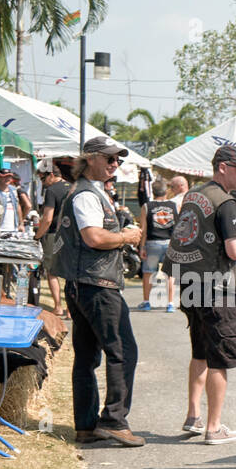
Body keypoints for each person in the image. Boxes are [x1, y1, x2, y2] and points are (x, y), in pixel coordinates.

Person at [162, 143, 236, 445]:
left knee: (200, 351)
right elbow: (233, 250)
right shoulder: (225, 202)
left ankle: (193, 416)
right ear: (223, 167)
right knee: (221, 357)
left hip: (190, 282)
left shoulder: (194, 195)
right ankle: (214, 428)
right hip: (216, 287)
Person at [55, 136, 145, 447]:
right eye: (109, 158)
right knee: (123, 352)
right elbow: (94, 237)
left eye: (118, 159)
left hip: (86, 284)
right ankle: (114, 420)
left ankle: (86, 426)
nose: (114, 164)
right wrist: (127, 236)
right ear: (90, 158)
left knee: (87, 357)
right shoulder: (85, 195)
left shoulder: (90, 192)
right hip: (97, 285)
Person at [138, 175, 186, 313]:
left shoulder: (147, 206)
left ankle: (147, 302)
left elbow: (144, 229)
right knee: (170, 275)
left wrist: (142, 247)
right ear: (166, 192)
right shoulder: (174, 206)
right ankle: (170, 303)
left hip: (152, 243)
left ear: (153, 192)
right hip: (170, 243)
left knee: (148, 273)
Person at [35, 159, 70, 316]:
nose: (42, 183)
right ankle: (70, 309)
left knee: (52, 271)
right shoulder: (72, 187)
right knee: (70, 272)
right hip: (72, 234)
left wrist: (37, 236)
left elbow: (47, 219)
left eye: (43, 179)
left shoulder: (51, 190)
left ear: (50, 175)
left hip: (54, 234)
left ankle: (58, 306)